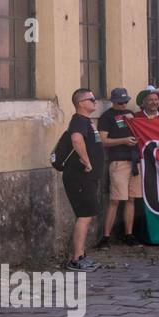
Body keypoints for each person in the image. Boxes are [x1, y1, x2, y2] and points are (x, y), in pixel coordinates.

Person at [63, 88, 107, 270]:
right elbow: (76, 139)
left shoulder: (86, 121)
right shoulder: (79, 121)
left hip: (87, 178)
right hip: (80, 177)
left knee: (86, 216)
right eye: (91, 99)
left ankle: (81, 255)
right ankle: (76, 259)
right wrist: (86, 161)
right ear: (81, 103)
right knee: (84, 216)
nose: (95, 102)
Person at [99, 87, 140, 246]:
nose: (123, 105)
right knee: (115, 200)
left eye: (125, 101)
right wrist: (123, 141)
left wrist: (134, 121)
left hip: (134, 160)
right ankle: (106, 236)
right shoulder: (106, 117)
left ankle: (129, 234)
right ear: (113, 102)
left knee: (131, 199)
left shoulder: (131, 114)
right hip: (118, 161)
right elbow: (103, 140)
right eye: (120, 102)